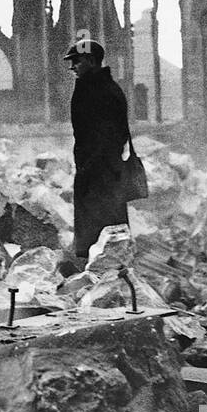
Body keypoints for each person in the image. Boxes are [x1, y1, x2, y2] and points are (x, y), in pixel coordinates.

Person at [66, 37, 131, 264]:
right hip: (102, 169)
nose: (72, 67)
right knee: (104, 221)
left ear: (92, 61)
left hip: (99, 171)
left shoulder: (96, 90)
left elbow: (109, 135)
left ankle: (103, 268)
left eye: (77, 61)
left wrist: (90, 165)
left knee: (100, 223)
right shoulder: (104, 88)